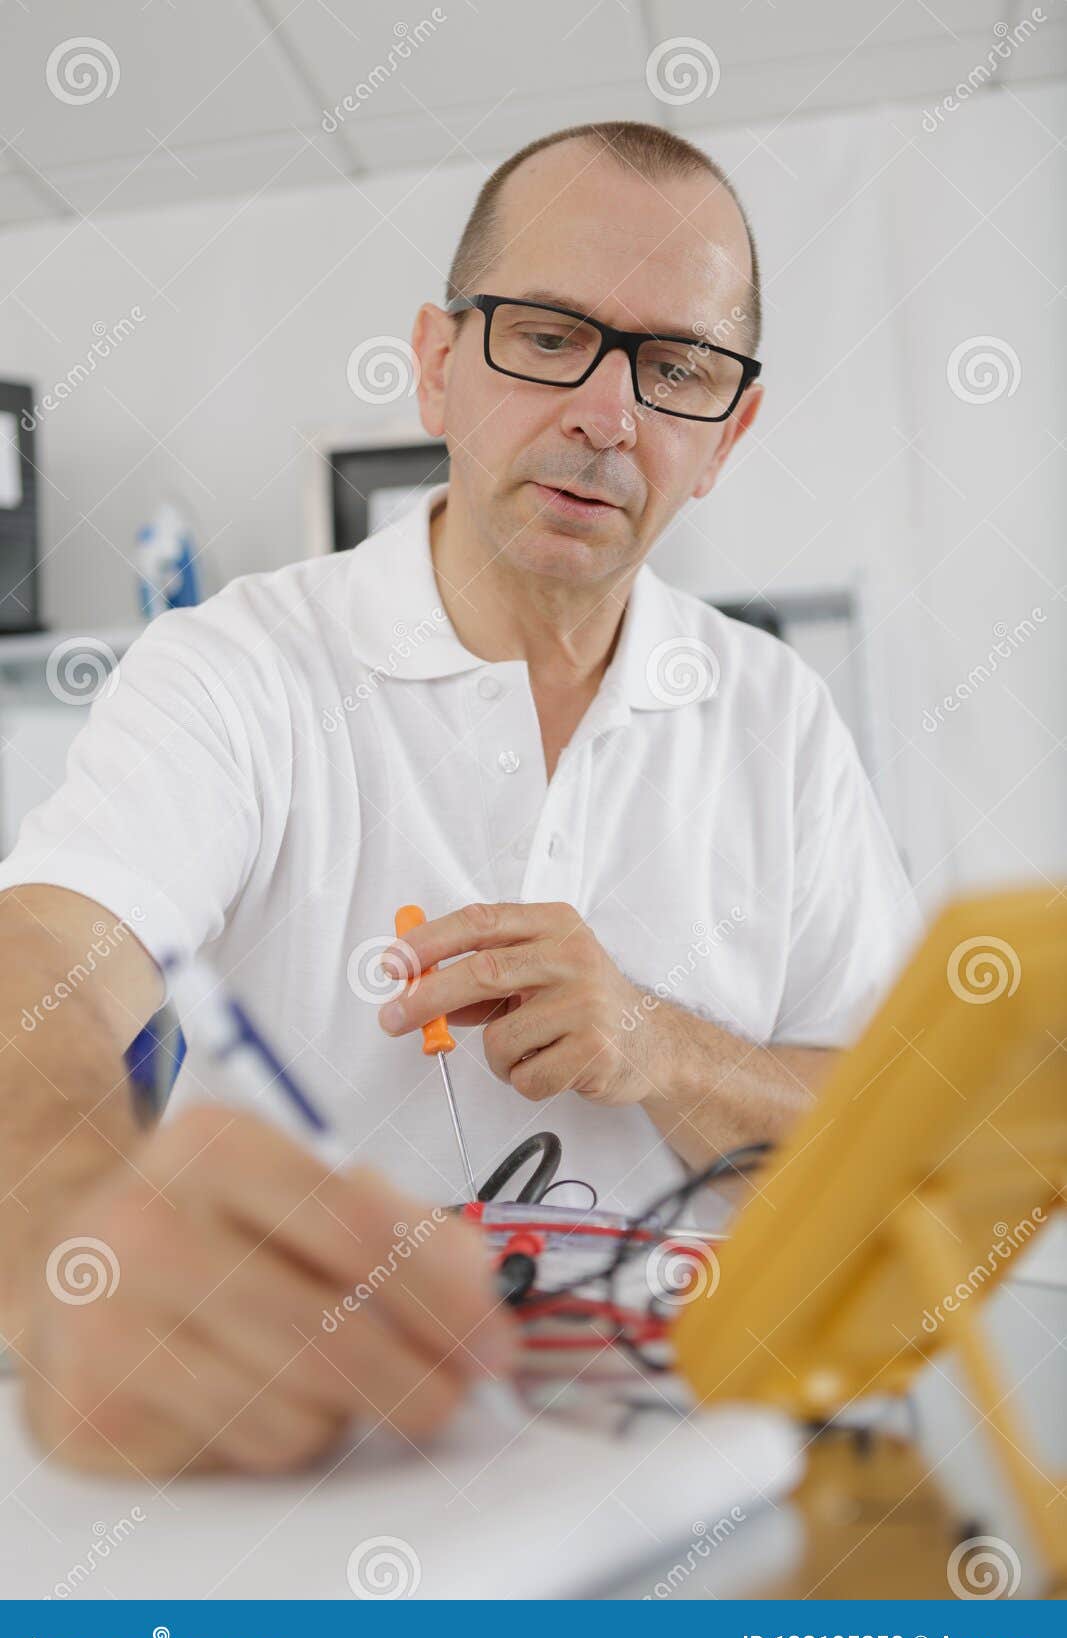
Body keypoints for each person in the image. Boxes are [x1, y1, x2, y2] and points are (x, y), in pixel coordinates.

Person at [0, 121, 921, 1478]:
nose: (605, 415)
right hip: (313, 1472)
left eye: (675, 368)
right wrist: (73, 1239)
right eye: (548, 336)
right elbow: (45, 960)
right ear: (438, 366)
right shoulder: (237, 668)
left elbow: (904, 1117)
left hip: (698, 1470)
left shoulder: (779, 719)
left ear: (727, 434)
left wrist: (664, 1046)